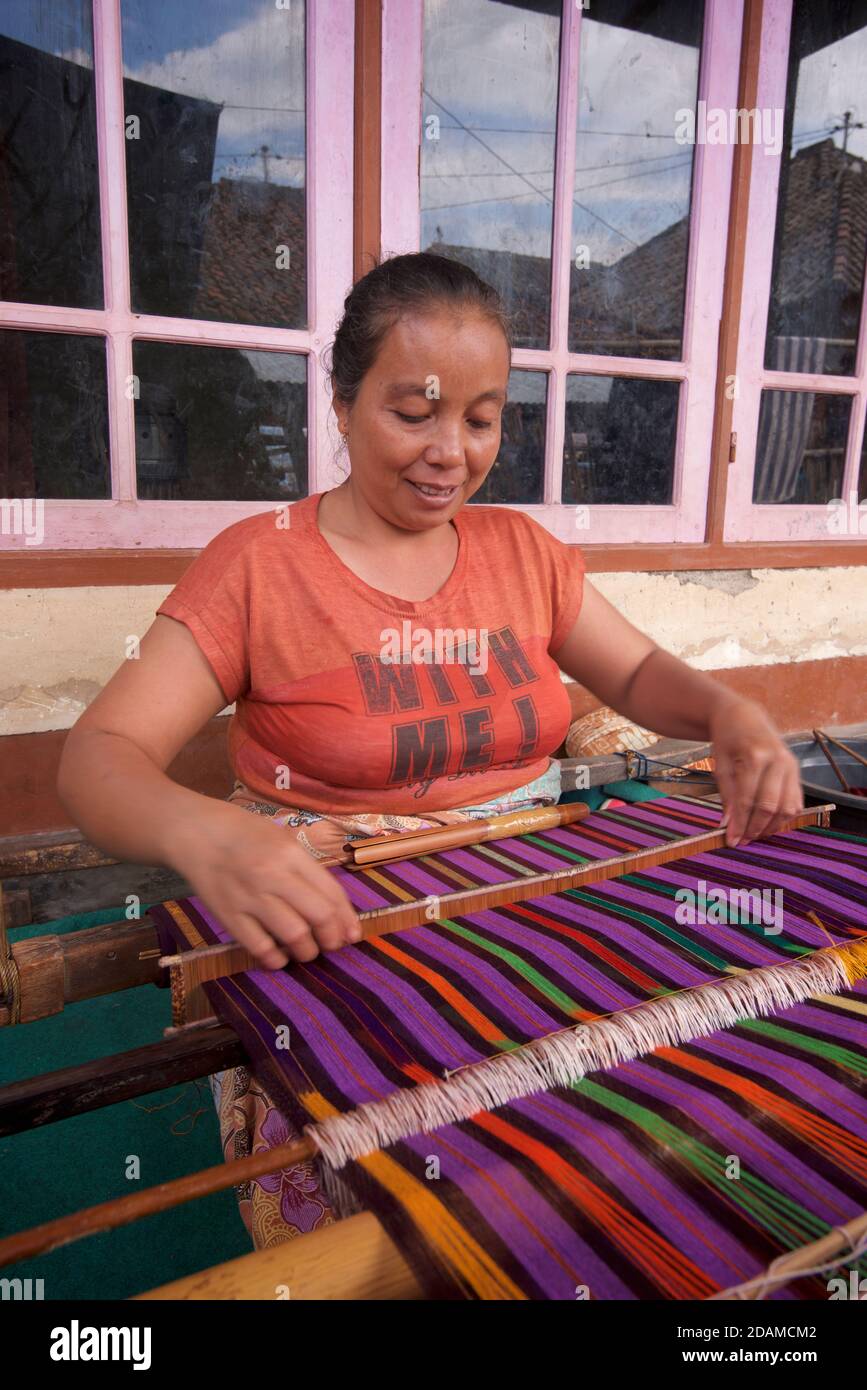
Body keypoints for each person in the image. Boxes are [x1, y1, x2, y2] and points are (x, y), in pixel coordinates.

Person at [57, 251, 804, 1248]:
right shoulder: (260, 565)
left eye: (482, 417)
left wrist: (728, 712)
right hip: (337, 921)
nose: (450, 450)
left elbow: (634, 676)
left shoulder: (523, 554)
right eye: (415, 411)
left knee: (631, 1137)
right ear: (340, 402)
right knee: (392, 1210)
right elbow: (97, 754)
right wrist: (207, 836)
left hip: (530, 889)